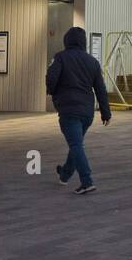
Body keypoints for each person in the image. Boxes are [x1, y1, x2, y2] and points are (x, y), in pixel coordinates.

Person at [46, 26, 111, 194]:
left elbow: (51, 78)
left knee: (76, 145)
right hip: (87, 112)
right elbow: (100, 89)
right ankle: (65, 174)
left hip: (68, 109)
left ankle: (87, 181)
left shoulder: (60, 57)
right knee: (76, 144)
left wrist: (52, 91)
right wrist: (106, 113)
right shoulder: (92, 61)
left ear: (66, 40)